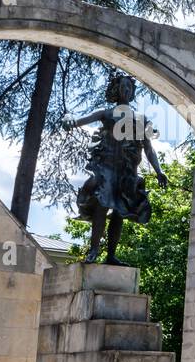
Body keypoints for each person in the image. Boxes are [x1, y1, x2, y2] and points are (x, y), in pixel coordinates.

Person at [64, 74, 168, 264]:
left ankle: (111, 255)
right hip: (107, 167)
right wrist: (70, 118)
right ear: (115, 90)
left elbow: (148, 148)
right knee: (102, 206)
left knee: (120, 211)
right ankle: (94, 251)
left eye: (129, 87)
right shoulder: (107, 113)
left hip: (127, 171)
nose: (126, 90)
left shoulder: (141, 119)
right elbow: (79, 121)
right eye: (123, 86)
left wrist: (158, 171)